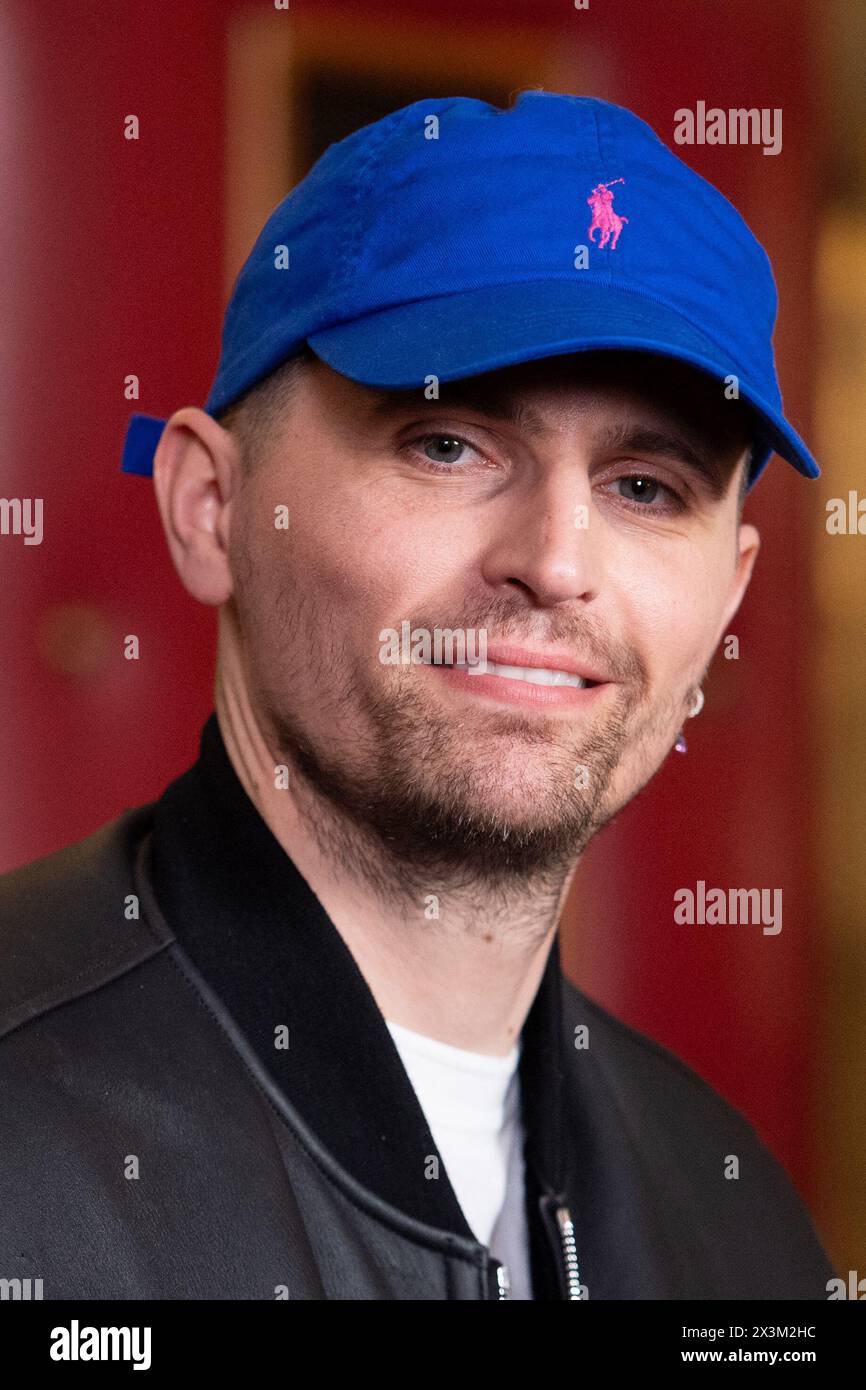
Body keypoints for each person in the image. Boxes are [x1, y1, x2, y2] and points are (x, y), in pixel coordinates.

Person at [0, 91, 834, 1300]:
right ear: (211, 508)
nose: (555, 560)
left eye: (646, 486)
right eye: (447, 442)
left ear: (728, 597)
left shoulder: (734, 1221)